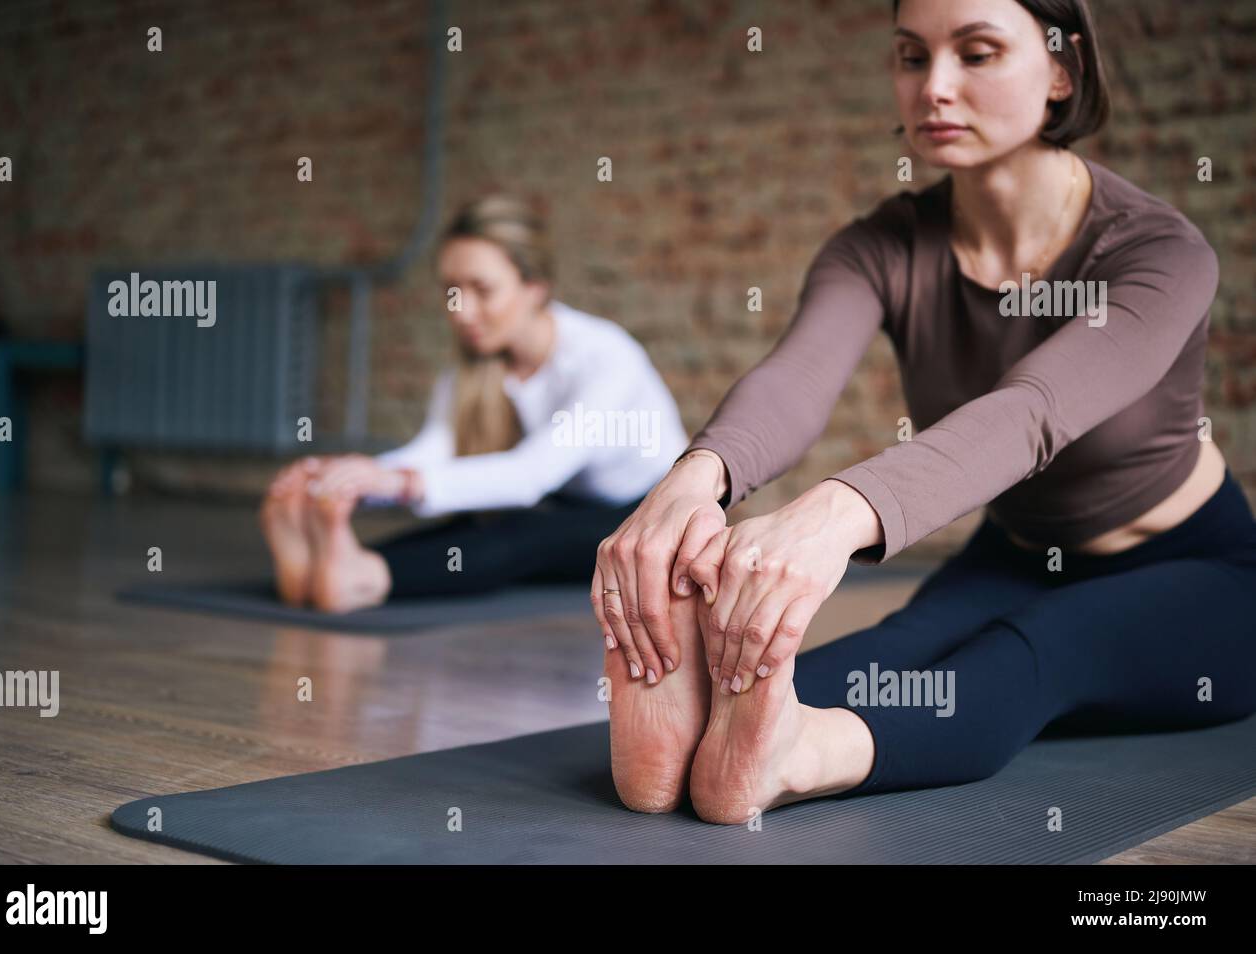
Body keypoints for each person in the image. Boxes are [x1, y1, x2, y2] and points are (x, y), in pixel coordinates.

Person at [594, 0, 1256, 822]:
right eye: (912, 57)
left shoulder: (1160, 253)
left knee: (1034, 656)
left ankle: (794, 756)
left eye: (977, 54)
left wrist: (836, 515)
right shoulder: (881, 247)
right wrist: (696, 482)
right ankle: (696, 713)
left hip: (1194, 572)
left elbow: (1032, 411)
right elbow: (797, 377)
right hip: (1012, 553)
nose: (935, 87)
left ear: (1061, 69)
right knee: (883, 656)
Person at [261, 194, 688, 612]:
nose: (462, 311)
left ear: (534, 287)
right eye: (451, 291)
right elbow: (434, 452)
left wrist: (397, 483)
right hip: (568, 502)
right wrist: (352, 480)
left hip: (653, 513)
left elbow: (532, 474)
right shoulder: (476, 367)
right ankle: (326, 568)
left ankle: (366, 576)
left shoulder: (605, 355)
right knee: (476, 524)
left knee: (524, 532)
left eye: (482, 289)